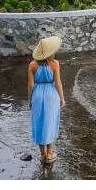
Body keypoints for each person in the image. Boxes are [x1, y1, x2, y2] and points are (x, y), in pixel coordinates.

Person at [28, 36, 66, 164]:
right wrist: (62, 98)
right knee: (51, 122)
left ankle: (43, 154)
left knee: (39, 122)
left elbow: (31, 85)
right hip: (52, 95)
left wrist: (30, 100)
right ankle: (50, 154)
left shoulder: (32, 65)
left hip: (37, 95)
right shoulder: (55, 64)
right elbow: (58, 83)